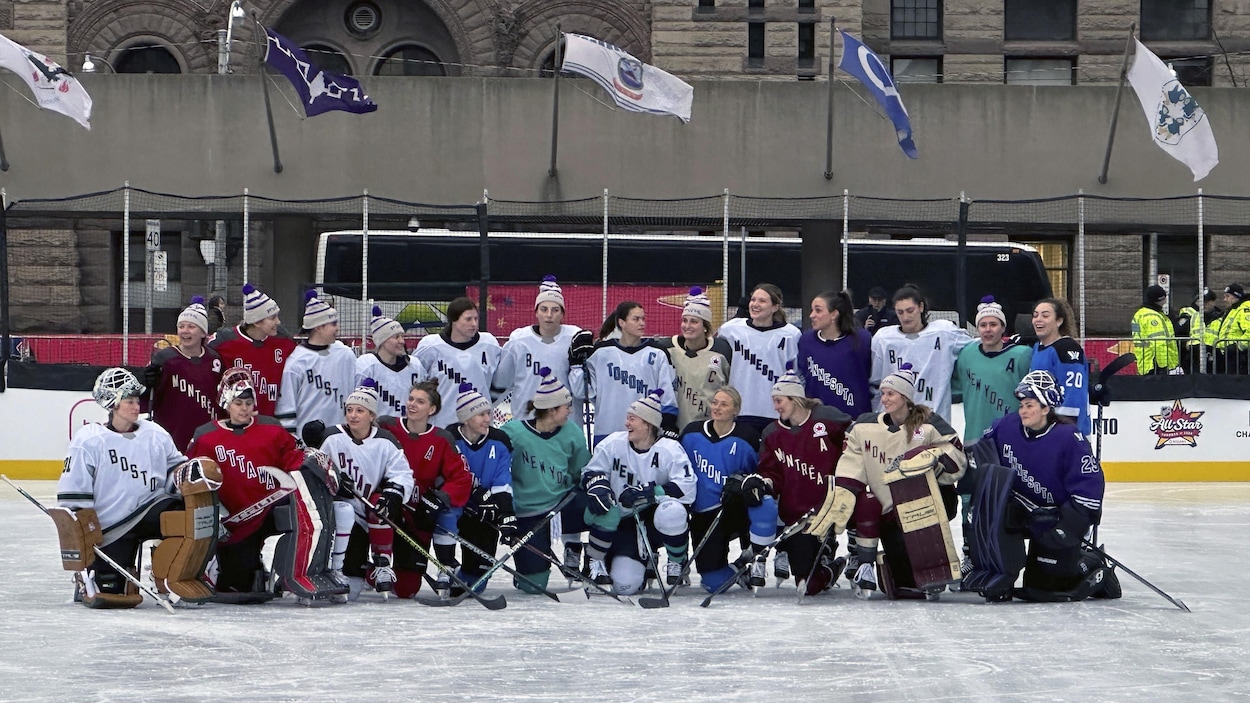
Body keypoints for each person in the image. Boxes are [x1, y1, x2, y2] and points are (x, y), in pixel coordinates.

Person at [55, 367, 220, 608]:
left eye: (136, 400)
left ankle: (171, 578)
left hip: (152, 508)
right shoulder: (88, 440)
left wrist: (191, 474)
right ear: (112, 404)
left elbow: (174, 472)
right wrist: (84, 532)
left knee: (192, 515)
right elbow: (73, 496)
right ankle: (87, 577)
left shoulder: (154, 433)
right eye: (129, 401)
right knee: (113, 594)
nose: (136, 406)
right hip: (113, 526)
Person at [807, 364, 966, 599]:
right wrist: (844, 491)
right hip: (889, 508)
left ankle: (930, 572)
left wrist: (934, 457)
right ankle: (867, 567)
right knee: (869, 504)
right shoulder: (865, 425)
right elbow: (852, 460)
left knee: (915, 577)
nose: (885, 398)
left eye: (890, 393)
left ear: (905, 397)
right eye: (882, 393)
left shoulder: (930, 422)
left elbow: (957, 457)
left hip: (926, 506)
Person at [963, 371, 1121, 603]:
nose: (1023, 411)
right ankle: (999, 575)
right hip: (1016, 509)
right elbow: (980, 458)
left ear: (1046, 408)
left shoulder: (1069, 438)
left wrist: (1067, 522)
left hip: (1053, 518)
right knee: (987, 514)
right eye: (1022, 405)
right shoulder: (1006, 426)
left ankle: (1090, 564)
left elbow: (1089, 487)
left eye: (1030, 405)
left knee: (1044, 588)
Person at [187, 367, 341, 603]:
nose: (244, 408)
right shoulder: (205, 436)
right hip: (234, 522)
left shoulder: (271, 429)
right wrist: (213, 512)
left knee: (308, 510)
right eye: (238, 402)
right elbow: (192, 478)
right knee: (238, 586)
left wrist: (315, 459)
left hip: (269, 509)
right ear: (226, 402)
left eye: (249, 402)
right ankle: (235, 567)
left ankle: (300, 571)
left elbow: (295, 459)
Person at [579, 390, 695, 594]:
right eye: (627, 418)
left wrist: (649, 493)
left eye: (632, 419)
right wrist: (598, 485)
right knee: (625, 586)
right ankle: (596, 562)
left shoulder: (670, 449)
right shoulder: (614, 443)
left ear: (648, 424)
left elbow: (687, 489)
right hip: (620, 522)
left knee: (673, 511)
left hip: (652, 522)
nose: (626, 424)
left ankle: (678, 560)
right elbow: (590, 471)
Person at [756, 367, 851, 596]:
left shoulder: (826, 417)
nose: (776, 407)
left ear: (795, 398)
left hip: (827, 510)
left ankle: (833, 556)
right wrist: (764, 484)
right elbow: (771, 472)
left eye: (779, 401)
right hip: (794, 518)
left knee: (809, 584)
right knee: (805, 582)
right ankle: (827, 562)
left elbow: (856, 433)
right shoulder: (771, 433)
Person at [952, 296, 1032, 570]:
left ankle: (1004, 556)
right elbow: (953, 385)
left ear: (1002, 328)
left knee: (1009, 499)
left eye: (993, 324)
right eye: (983, 324)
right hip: (975, 440)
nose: (987, 329)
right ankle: (970, 557)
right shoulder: (967, 355)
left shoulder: (1021, 356)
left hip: (1009, 442)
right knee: (969, 499)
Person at [377, 380, 474, 599]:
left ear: (432, 410)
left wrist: (441, 497)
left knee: (406, 589)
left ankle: (446, 564)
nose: (412, 404)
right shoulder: (387, 427)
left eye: (420, 402)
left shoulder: (441, 438)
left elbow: (461, 477)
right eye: (411, 399)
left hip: (419, 514)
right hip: (390, 507)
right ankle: (369, 569)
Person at [500, 368, 592, 593]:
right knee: (533, 586)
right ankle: (527, 571)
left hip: (562, 505)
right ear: (551, 410)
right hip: (528, 512)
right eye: (566, 407)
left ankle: (594, 560)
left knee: (606, 510)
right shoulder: (512, 432)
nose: (570, 411)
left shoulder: (571, 432)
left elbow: (581, 470)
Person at [322, 380, 414, 602]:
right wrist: (332, 481)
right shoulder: (332, 436)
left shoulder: (385, 441)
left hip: (369, 511)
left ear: (372, 415)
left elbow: (403, 473)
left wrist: (393, 493)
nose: (353, 415)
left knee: (381, 502)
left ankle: (382, 562)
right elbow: (314, 467)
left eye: (360, 411)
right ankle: (339, 571)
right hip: (340, 512)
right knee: (350, 592)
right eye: (350, 410)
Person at [679, 387, 778, 593]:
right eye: (715, 402)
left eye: (724, 404)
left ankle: (757, 554)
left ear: (736, 410)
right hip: (704, 515)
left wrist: (744, 483)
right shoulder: (691, 433)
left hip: (733, 509)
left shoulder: (748, 436)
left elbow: (759, 476)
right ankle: (742, 565)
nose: (717, 408)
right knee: (713, 584)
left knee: (764, 504)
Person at [437, 383, 515, 595]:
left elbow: (502, 481)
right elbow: (448, 477)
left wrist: (506, 514)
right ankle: (447, 567)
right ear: (466, 417)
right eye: (480, 414)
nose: (487, 419)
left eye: (488, 413)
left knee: (476, 585)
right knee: (445, 512)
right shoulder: (448, 438)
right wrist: (476, 493)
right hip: (456, 506)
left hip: (484, 512)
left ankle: (462, 576)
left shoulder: (499, 441)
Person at [568, 301, 678, 446]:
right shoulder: (601, 353)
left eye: (643, 319)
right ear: (622, 322)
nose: (642, 323)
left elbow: (667, 398)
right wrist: (576, 365)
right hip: (607, 433)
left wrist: (668, 425)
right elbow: (582, 391)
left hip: (645, 434)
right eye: (636, 319)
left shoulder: (657, 353)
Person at [870, 285, 973, 423]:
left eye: (910, 310)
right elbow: (875, 382)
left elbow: (976, 347)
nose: (905, 317)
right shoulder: (883, 338)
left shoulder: (945, 333)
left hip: (933, 421)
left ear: (921, 307)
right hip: (895, 423)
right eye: (900, 312)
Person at [493, 276, 581, 422]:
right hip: (526, 422)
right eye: (544, 309)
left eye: (555, 310)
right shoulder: (519, 341)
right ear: (536, 312)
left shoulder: (574, 339)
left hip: (565, 423)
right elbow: (501, 382)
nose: (549, 315)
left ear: (562, 314)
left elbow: (584, 387)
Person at [275, 291, 358, 446]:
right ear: (319, 327)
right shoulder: (296, 362)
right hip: (307, 445)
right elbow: (286, 407)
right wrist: (292, 444)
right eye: (333, 324)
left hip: (343, 441)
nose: (338, 328)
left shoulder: (346, 355)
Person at [716, 283, 801, 431]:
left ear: (775, 307)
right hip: (740, 411)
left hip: (775, 412)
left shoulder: (791, 334)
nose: (755, 304)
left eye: (762, 301)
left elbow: (796, 374)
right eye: (753, 300)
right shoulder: (731, 329)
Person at [142, 296, 223, 451]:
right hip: (171, 439)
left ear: (203, 332)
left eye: (191, 326)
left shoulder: (215, 359)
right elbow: (147, 397)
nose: (185, 331)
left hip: (207, 439)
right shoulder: (165, 358)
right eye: (181, 326)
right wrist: (147, 382)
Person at [209, 283, 296, 418]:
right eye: (273, 317)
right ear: (257, 322)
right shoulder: (224, 341)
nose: (278, 322)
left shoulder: (284, 341)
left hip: (271, 424)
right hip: (235, 424)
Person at [415, 296, 502, 428]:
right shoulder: (431, 346)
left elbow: (502, 379)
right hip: (441, 425)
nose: (474, 324)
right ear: (453, 321)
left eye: (476, 319)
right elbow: (415, 379)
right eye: (468, 319)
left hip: (480, 426)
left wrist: (488, 402)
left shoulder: (489, 344)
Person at [656, 286, 732, 428]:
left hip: (707, 428)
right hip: (673, 427)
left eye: (694, 321)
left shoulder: (721, 352)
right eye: (685, 320)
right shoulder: (667, 349)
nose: (687, 326)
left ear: (705, 326)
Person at [797, 290, 873, 419]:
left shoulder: (861, 339)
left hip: (854, 418)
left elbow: (872, 376)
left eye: (818, 310)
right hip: (816, 419)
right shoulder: (806, 340)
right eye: (812, 310)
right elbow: (801, 375)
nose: (812, 315)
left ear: (834, 314)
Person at [1029, 298, 1091, 435]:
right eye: (1035, 315)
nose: (1038, 319)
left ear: (1059, 321)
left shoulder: (1066, 349)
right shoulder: (1037, 348)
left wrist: (1063, 431)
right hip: (1043, 430)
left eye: (1045, 315)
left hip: (1066, 434)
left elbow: (1073, 394)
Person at [356, 306, 427, 419]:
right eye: (396, 337)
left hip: (408, 429)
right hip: (377, 431)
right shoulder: (367, 365)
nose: (402, 341)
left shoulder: (415, 365)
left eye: (402, 336)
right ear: (382, 340)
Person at [1131, 285, 1180, 375]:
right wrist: (1163, 366)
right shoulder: (1153, 317)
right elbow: (1159, 342)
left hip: (1145, 361)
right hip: (1155, 364)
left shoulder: (1139, 314)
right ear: (1160, 299)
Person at [1178, 289, 1220, 373]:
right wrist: (1186, 343)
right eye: (1202, 302)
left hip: (1214, 355)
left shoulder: (1221, 317)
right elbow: (1179, 333)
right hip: (1194, 355)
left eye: (1207, 302)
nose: (1204, 305)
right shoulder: (1193, 316)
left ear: (1213, 302)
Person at [1217, 283, 1250, 374]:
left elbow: (1249, 332)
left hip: (1239, 357)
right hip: (1229, 354)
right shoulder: (1232, 310)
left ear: (1237, 296)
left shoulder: (1244, 309)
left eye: (1228, 296)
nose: (1225, 300)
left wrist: (1237, 347)